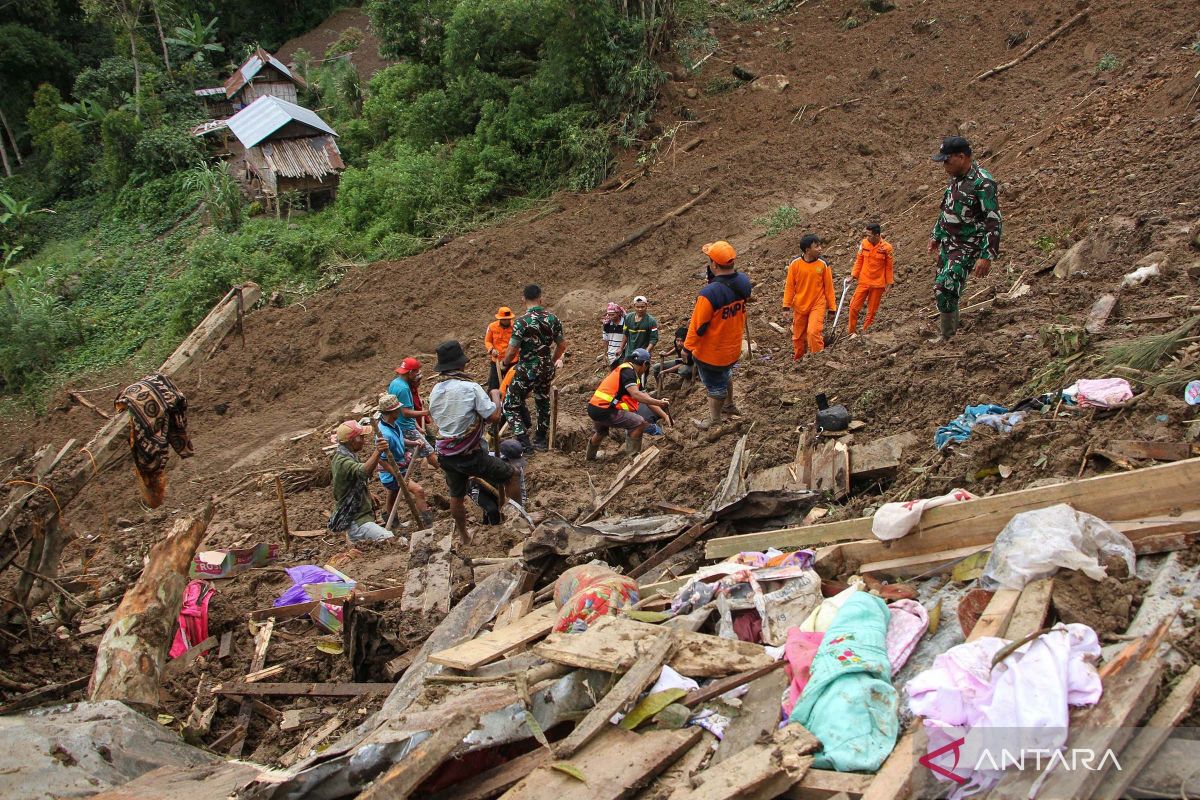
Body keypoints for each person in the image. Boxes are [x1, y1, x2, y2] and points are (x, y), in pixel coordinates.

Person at [428, 340, 523, 544]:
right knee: (512, 475)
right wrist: (495, 396)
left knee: (456, 496)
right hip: (469, 454)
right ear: (461, 364)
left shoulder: (435, 390)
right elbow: (494, 417)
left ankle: (464, 536)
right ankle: (519, 523)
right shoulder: (470, 388)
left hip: (446, 454)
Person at [929, 135, 1003, 342]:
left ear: (961, 157)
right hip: (949, 244)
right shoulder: (955, 179)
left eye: (947, 160)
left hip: (968, 246)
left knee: (944, 286)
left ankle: (947, 337)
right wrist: (936, 235)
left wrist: (987, 256)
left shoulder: (982, 182)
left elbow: (993, 221)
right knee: (946, 289)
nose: (944, 165)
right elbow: (947, 209)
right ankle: (949, 336)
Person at [686, 241, 751, 431]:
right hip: (732, 347)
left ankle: (715, 421)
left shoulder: (709, 293)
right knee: (726, 374)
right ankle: (730, 406)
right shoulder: (743, 281)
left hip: (711, 352)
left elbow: (698, 326)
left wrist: (687, 348)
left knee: (715, 386)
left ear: (714, 264)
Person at [501, 284, 567, 454]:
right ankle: (540, 439)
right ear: (541, 299)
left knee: (510, 404)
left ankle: (524, 442)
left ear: (523, 299)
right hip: (546, 368)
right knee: (542, 400)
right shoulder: (553, 319)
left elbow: (512, 350)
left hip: (527, 369)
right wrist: (551, 361)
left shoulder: (521, 322)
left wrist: (505, 363)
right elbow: (562, 346)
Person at [585, 348, 671, 461]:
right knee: (639, 423)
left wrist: (665, 416)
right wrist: (659, 402)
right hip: (605, 410)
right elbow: (636, 394)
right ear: (645, 364)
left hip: (595, 407)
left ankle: (589, 457)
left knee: (600, 432)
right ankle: (632, 459)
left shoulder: (627, 371)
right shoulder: (628, 371)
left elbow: (646, 399)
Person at [329, 420, 396, 543]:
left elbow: (354, 479)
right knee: (389, 539)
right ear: (352, 441)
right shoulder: (342, 462)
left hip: (361, 517)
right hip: (357, 520)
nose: (364, 441)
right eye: (361, 438)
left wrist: (367, 494)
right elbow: (363, 472)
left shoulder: (348, 454)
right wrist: (378, 451)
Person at [374, 393, 434, 530]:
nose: (400, 411)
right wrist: (397, 475)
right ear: (392, 412)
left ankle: (393, 523)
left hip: (398, 468)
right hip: (392, 473)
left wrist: (414, 442)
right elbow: (381, 460)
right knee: (418, 491)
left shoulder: (392, 424)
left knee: (393, 494)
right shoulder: (385, 434)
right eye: (397, 409)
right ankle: (428, 524)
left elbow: (400, 440)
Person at [782, 234, 836, 361]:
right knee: (798, 337)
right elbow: (789, 286)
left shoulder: (823, 264)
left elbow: (829, 288)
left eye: (820, 245)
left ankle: (818, 360)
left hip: (817, 304)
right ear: (807, 250)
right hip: (800, 305)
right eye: (816, 246)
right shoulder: (795, 264)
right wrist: (786, 307)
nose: (820, 248)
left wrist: (832, 308)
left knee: (813, 333)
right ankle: (798, 361)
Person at [387, 358, 438, 467]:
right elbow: (405, 412)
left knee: (407, 452)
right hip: (406, 427)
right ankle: (445, 470)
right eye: (416, 372)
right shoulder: (404, 388)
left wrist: (417, 427)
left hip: (399, 425)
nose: (417, 375)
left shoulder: (394, 383)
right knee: (429, 452)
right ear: (410, 372)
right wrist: (426, 412)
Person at [847, 223, 895, 336]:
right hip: (863, 281)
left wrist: (890, 283)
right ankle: (851, 332)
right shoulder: (864, 244)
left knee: (872, 312)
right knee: (853, 307)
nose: (867, 237)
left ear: (877, 235)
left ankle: (864, 333)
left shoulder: (887, 248)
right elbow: (859, 261)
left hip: (878, 284)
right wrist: (853, 275)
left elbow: (889, 267)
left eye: (869, 235)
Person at [470, 439, 527, 525]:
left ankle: (486, 524)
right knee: (492, 510)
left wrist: (521, 507)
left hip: (497, 490)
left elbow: (521, 487)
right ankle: (493, 530)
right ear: (505, 458)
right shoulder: (487, 460)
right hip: (478, 488)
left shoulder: (517, 469)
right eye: (513, 461)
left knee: (497, 509)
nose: (516, 465)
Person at [484, 307, 515, 391]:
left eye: (508, 319)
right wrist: (491, 349)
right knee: (494, 386)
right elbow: (487, 341)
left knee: (512, 384)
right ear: (500, 318)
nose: (507, 321)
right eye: (504, 319)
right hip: (497, 360)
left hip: (512, 361)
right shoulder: (492, 327)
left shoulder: (516, 327)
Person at [618, 295, 659, 359]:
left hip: (642, 355)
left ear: (646, 306)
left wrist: (646, 351)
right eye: (637, 307)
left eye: (642, 307)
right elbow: (626, 334)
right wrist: (620, 348)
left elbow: (654, 339)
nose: (640, 309)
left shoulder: (651, 321)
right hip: (629, 353)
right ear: (634, 306)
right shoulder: (628, 318)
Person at [601, 302, 625, 368]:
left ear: (618, 313)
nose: (611, 317)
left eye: (613, 315)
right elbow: (605, 340)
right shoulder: (607, 325)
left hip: (623, 353)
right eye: (609, 315)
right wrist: (605, 353)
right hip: (611, 354)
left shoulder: (625, 323)